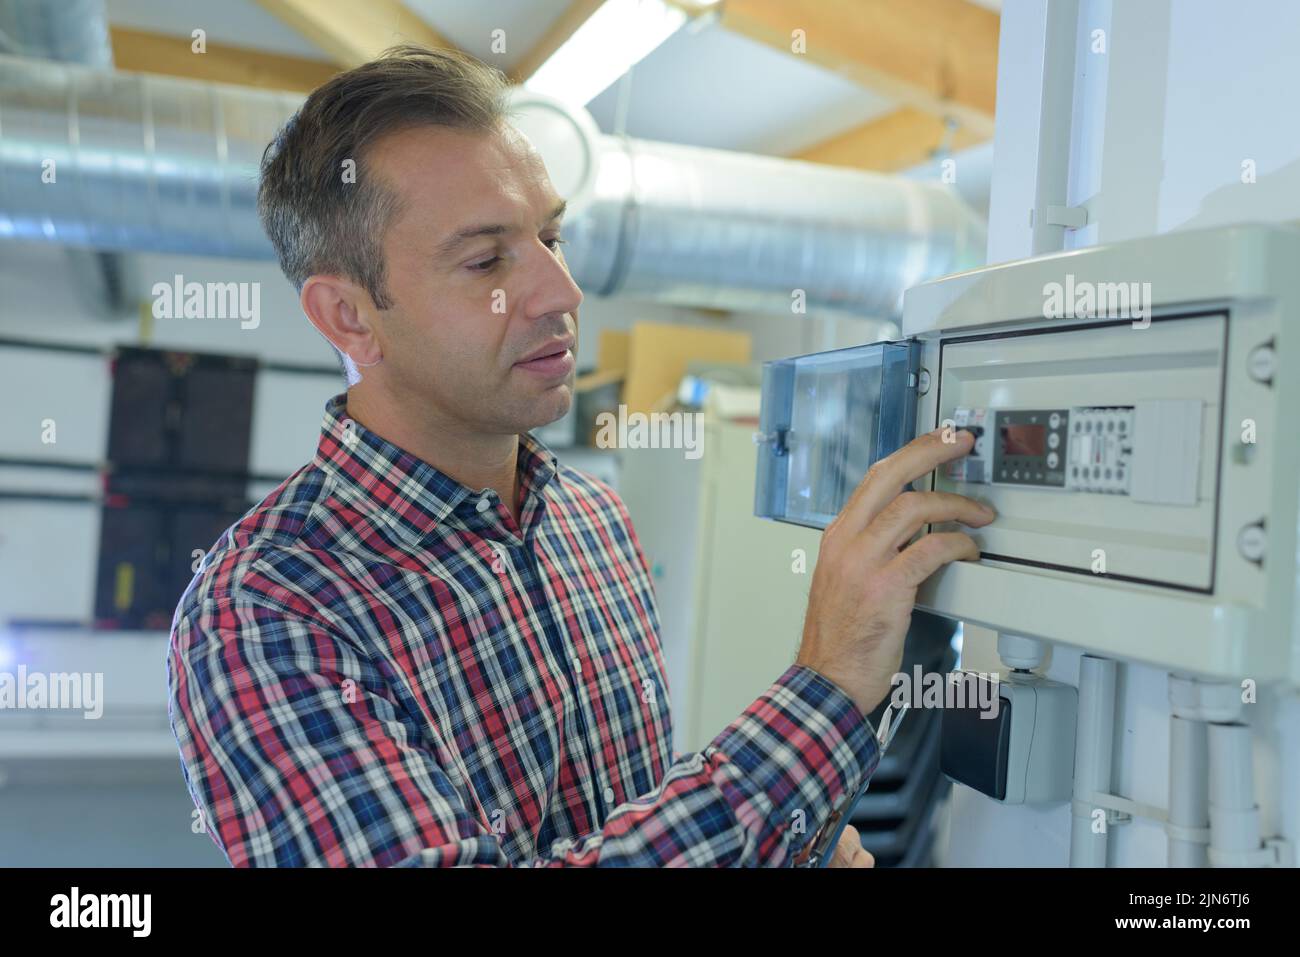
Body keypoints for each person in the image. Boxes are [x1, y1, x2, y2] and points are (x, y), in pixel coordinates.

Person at [167, 45, 995, 868]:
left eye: (552, 235)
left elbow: (614, 828)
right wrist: (828, 681)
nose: (562, 291)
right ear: (350, 318)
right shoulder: (264, 611)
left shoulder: (590, 519)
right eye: (487, 259)